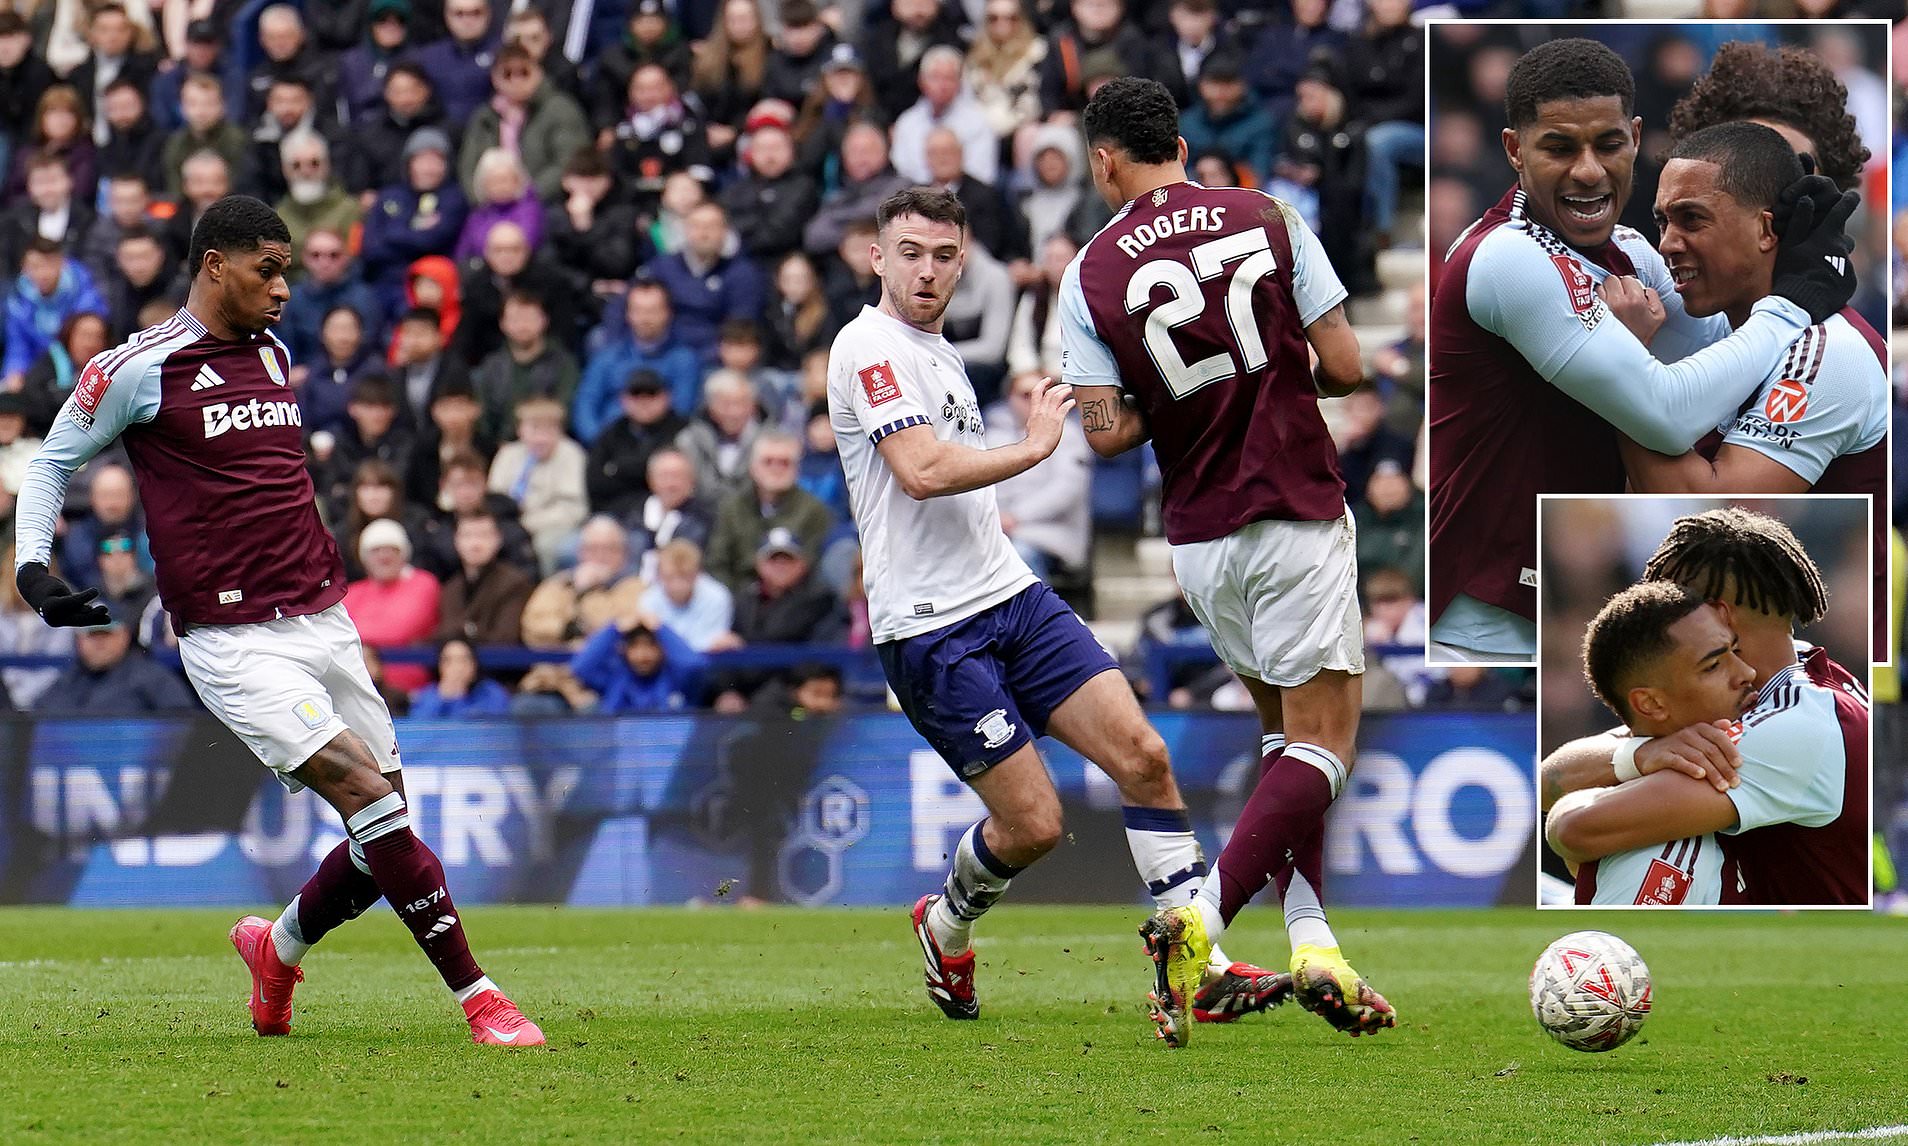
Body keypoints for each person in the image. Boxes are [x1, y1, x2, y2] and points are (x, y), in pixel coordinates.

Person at [11, 195, 542, 1045]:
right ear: (214, 264)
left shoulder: (272, 350)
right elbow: (50, 463)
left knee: (383, 843)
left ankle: (278, 944)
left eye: (287, 268)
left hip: (324, 619)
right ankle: (481, 998)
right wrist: (33, 567)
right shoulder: (137, 367)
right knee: (370, 799)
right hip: (231, 640)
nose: (284, 287)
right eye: (268, 267)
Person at [830, 186, 1282, 1028]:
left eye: (943, 255)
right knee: (1034, 824)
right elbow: (921, 472)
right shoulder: (868, 350)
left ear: (963, 262)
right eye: (911, 253)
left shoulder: (941, 353)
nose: (927, 271)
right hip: (931, 626)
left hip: (1012, 595)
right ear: (877, 257)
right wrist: (1034, 448)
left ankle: (1197, 960)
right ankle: (947, 920)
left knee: (1145, 756)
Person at [1057, 77, 1386, 1045]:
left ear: (1105, 159)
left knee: (1286, 736)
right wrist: (1280, 367)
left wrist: (1176, 394)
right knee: (1328, 745)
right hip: (1292, 505)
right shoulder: (1270, 215)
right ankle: (1198, 921)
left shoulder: (1090, 270)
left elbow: (1108, 432)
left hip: (1201, 536)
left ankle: (1316, 942)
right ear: (1182, 145)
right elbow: (1351, 366)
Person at [1427, 38, 1859, 663]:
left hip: (1565, 614)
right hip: (1485, 626)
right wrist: (1792, 300)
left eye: (1607, 144)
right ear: (1514, 150)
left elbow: (1731, 367)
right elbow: (1666, 412)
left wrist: (1769, 263)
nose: (1588, 171)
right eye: (1559, 147)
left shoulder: (1629, 251)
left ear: (1635, 137)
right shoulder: (1506, 258)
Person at [1542, 508, 1868, 907]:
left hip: (1811, 953)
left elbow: (1576, 830)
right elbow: (1550, 777)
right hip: (1764, 930)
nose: (1660, 612)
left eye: (1675, 601)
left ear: (1717, 611)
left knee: (1664, 847)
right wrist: (1641, 754)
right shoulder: (1774, 676)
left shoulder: (1794, 726)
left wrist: (1589, 793)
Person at [1545, 582, 1756, 905]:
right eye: (1713, 665)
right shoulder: (1671, 750)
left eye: (1735, 650)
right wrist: (1640, 754)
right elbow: (1549, 780)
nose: (1746, 672)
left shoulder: (1764, 728)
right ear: (1651, 705)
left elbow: (1568, 825)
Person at [408, 636, 513, 717]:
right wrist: (444, 698)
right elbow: (419, 734)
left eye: (462, 660)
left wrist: (459, 698)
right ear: (440, 666)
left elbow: (492, 728)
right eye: (449, 661)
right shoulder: (428, 696)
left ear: (474, 665)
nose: (457, 667)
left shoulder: (492, 693)